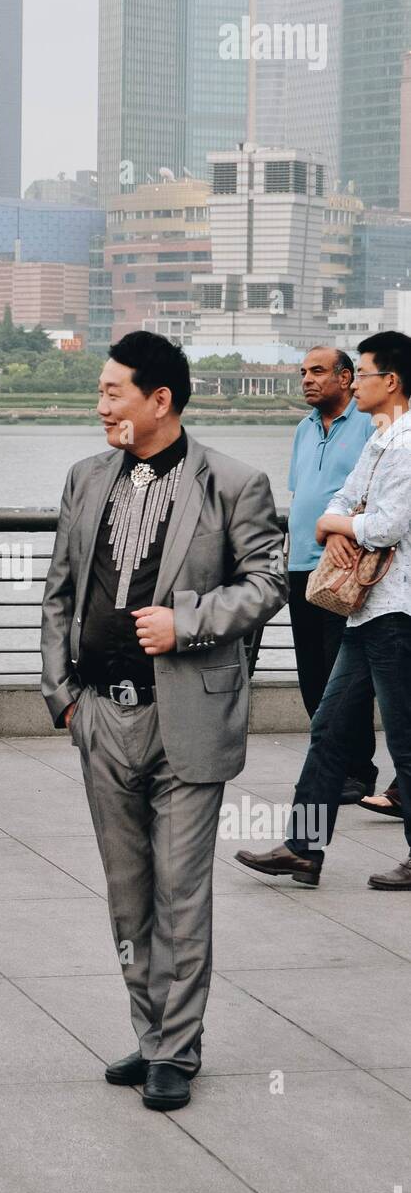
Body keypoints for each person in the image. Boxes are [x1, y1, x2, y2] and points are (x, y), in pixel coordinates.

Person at [41, 330, 286, 1111]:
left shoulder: (233, 484)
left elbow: (272, 581)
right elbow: (58, 591)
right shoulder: (85, 479)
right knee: (127, 894)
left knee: (181, 894)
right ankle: (149, 1038)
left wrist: (188, 622)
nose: (101, 402)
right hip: (100, 720)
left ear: (160, 401)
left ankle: (177, 1051)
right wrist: (64, 696)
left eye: (113, 390)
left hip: (185, 718)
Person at [236, 331, 411, 889]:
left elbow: (386, 525)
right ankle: (303, 848)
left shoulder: (407, 445)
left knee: (404, 739)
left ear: (392, 382)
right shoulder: (380, 441)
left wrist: (338, 524)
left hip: (397, 613)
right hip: (364, 611)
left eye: (361, 373)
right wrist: (335, 521)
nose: (355, 382)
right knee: (329, 730)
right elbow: (338, 502)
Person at [286, 348, 377, 802]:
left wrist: (341, 531)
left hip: (343, 568)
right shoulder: (303, 429)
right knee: (311, 674)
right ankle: (334, 768)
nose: (307, 379)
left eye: (318, 372)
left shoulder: (366, 422)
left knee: (342, 674)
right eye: (303, 372)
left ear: (346, 378)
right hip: (300, 567)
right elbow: (301, 495)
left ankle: (358, 770)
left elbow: (373, 492)